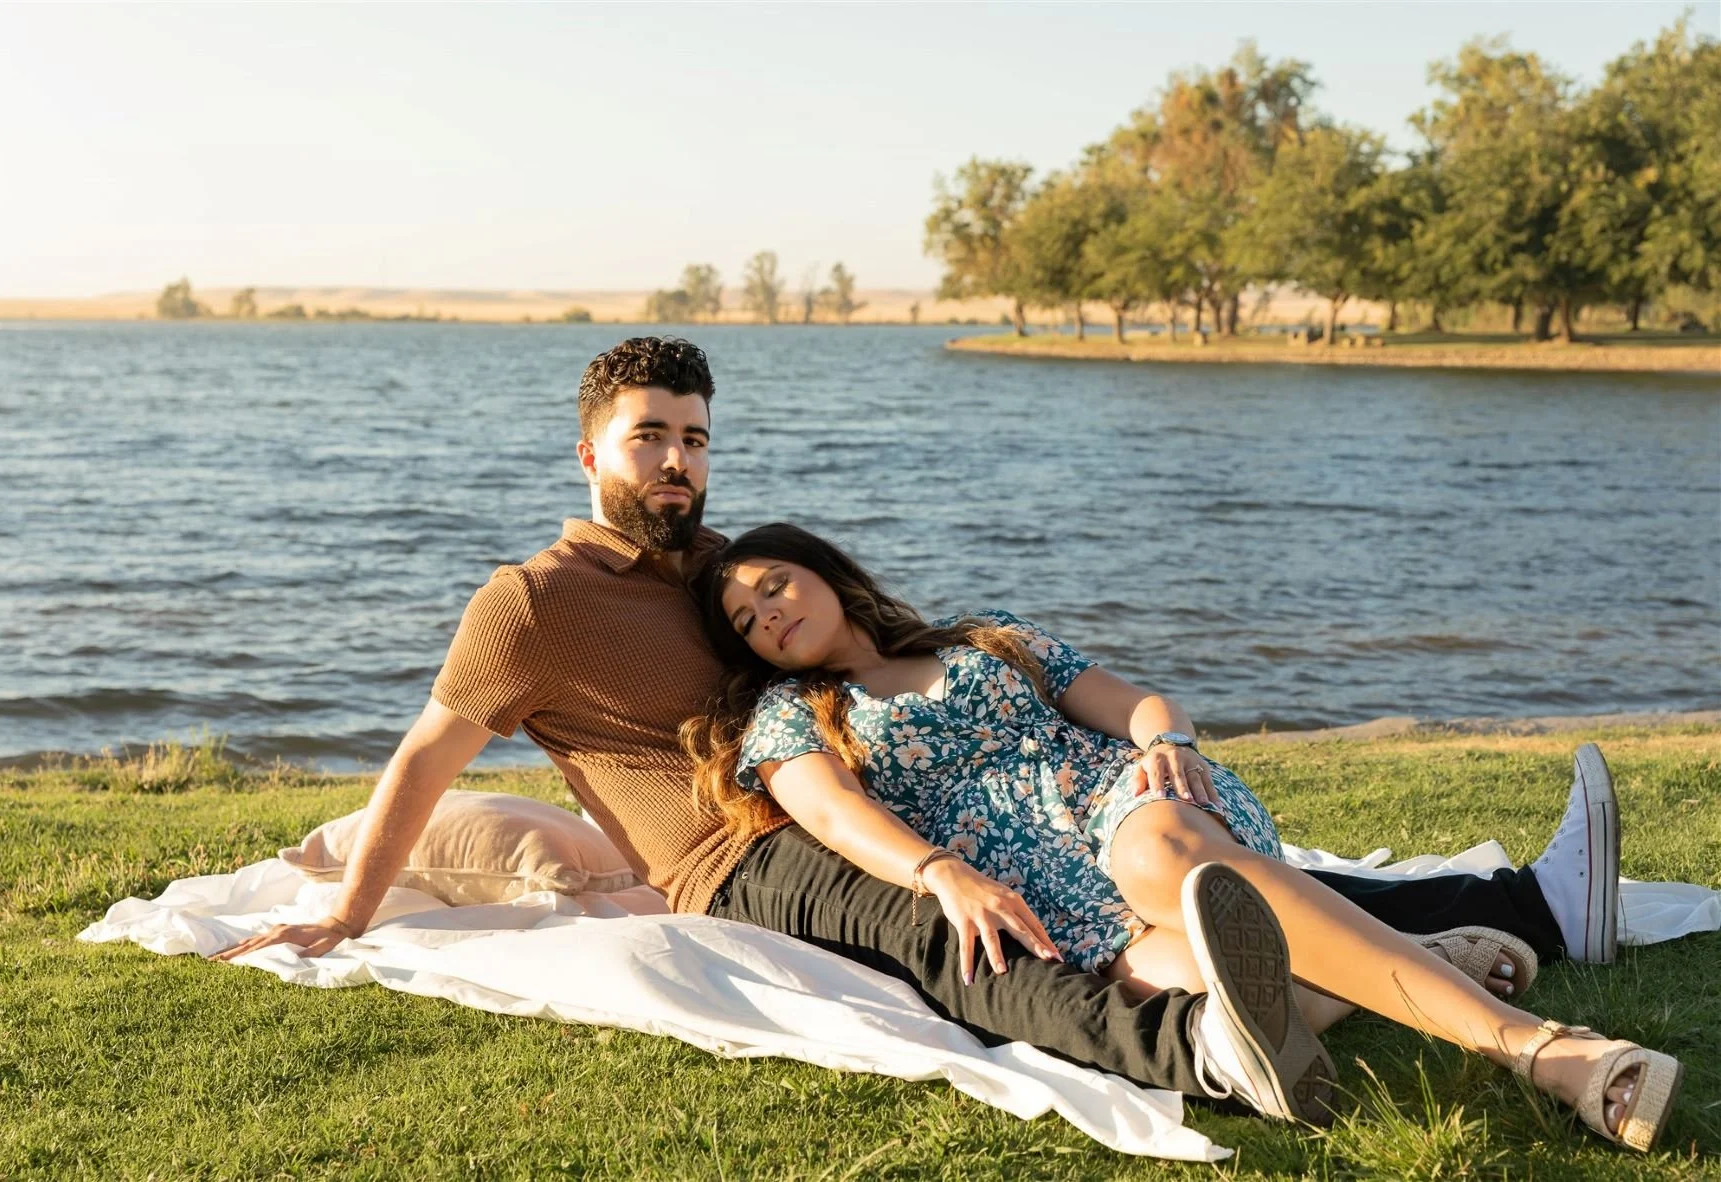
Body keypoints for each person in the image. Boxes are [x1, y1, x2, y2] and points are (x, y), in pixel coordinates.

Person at [211, 337, 1630, 1134]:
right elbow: (422, 763)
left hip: (852, 791)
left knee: (1221, 882)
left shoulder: (710, 578)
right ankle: (1199, 1043)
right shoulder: (525, 607)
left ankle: (1515, 913)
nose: (678, 460)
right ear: (590, 448)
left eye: (696, 436)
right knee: (954, 939)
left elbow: (846, 650)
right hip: (740, 849)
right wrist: (344, 911)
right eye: (649, 436)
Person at [688, 522, 1682, 1151]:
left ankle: (1551, 1055)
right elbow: (830, 813)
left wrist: (1168, 739)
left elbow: (1132, 701)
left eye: (774, 584)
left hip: (1137, 805)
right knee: (1199, 991)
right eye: (742, 618)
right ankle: (1423, 954)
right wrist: (939, 870)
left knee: (1163, 863)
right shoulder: (789, 721)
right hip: (1063, 899)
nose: (765, 615)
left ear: (823, 571)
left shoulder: (983, 634)